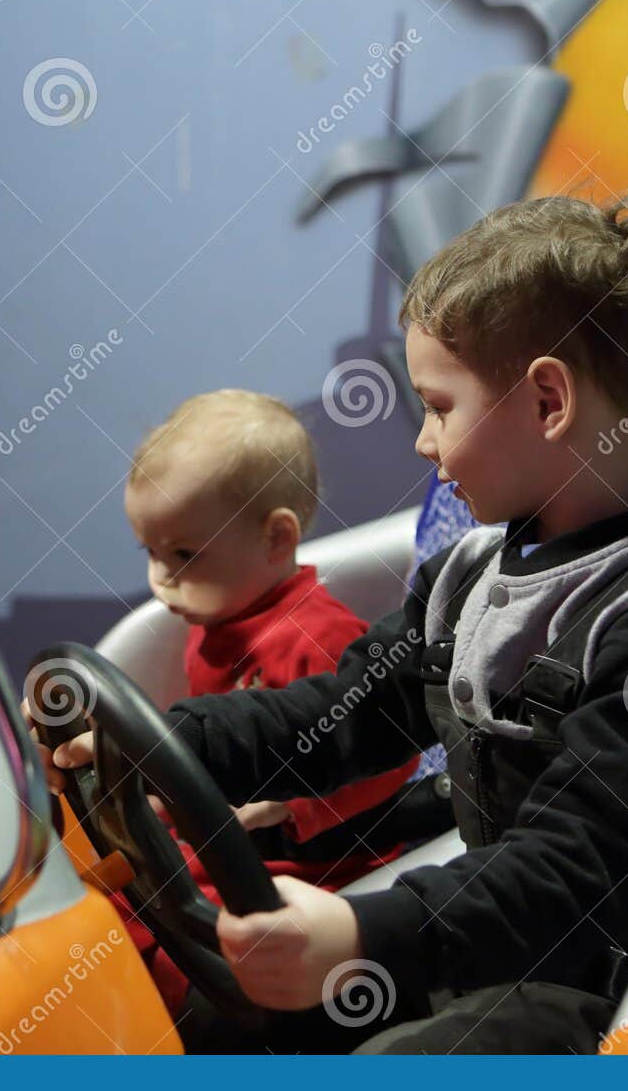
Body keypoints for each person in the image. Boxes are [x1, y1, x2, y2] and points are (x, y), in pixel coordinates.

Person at [41, 194, 628, 1053]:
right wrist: (170, 742)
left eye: (438, 407)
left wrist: (363, 939)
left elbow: (569, 871)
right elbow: (341, 711)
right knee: (211, 1024)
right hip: (495, 941)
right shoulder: (469, 576)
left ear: (547, 402)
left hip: (621, 988)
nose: (425, 444)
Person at [116, 389, 419, 1012]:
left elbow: (393, 752)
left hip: (322, 862)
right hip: (225, 830)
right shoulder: (218, 618)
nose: (159, 579)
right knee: (123, 891)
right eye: (150, 552)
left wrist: (287, 804)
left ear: (276, 539)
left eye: (182, 556)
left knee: (183, 938)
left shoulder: (320, 641)